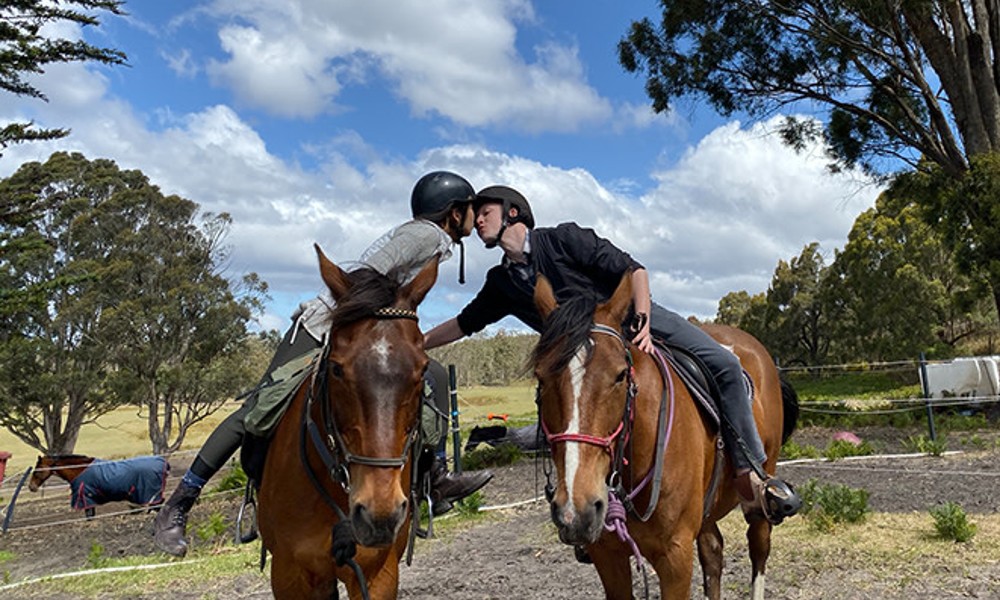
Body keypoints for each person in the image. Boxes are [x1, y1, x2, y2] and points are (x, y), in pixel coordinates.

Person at [154, 171, 494, 557]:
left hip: (363, 328)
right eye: (470, 209)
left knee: (426, 375)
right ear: (453, 212)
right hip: (322, 327)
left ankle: (433, 477)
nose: (475, 216)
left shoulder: (435, 240)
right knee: (258, 410)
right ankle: (179, 504)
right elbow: (368, 270)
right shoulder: (426, 235)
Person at [424, 184, 801, 525]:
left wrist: (644, 323)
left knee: (727, 365)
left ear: (512, 212)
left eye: (485, 211)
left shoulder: (563, 239)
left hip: (634, 323)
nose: (478, 220)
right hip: (586, 366)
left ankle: (753, 475)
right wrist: (415, 342)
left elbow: (634, 270)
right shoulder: (500, 283)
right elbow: (463, 323)